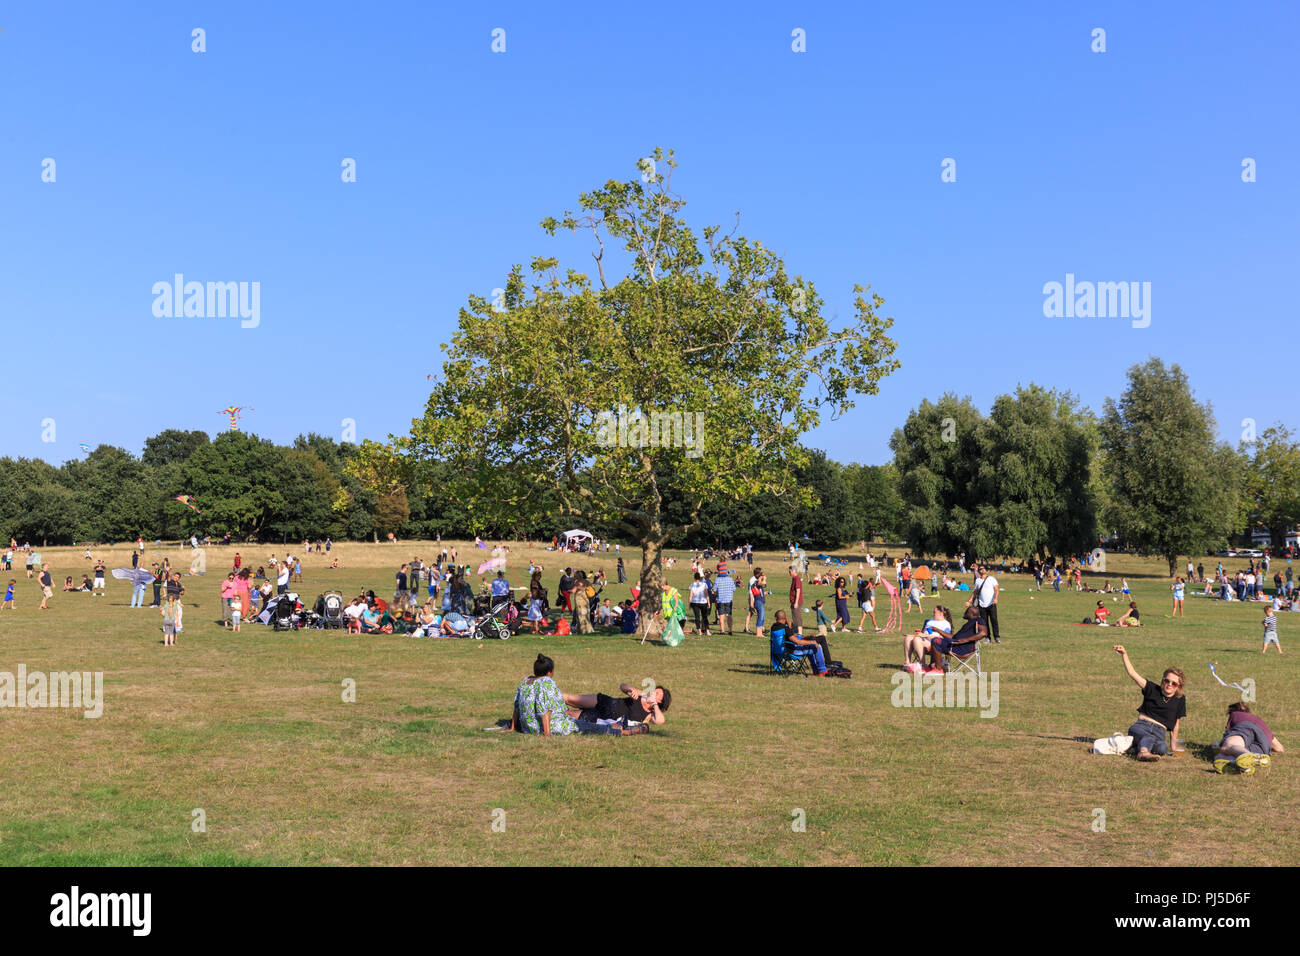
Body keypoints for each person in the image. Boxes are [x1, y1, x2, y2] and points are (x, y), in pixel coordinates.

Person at [1113, 645, 1185, 761]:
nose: (1169, 685)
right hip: (1141, 726)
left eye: (1174, 683)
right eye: (1167, 681)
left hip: (1160, 732)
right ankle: (1143, 752)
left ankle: (1133, 748)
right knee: (1148, 737)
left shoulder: (1180, 699)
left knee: (1162, 748)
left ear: (1178, 687)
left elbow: (1176, 725)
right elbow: (1132, 673)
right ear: (1163, 681)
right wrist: (1124, 654)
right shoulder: (1152, 688)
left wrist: (1174, 747)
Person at [1213, 703, 1284, 774]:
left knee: (1228, 747)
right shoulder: (1261, 722)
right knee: (1237, 753)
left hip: (1245, 727)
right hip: (1264, 745)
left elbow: (1229, 736)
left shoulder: (1235, 714)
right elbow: (1279, 748)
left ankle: (1246, 755)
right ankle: (1246, 766)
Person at [563, 682, 670, 726]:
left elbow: (660, 721)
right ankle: (548, 694)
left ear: (660, 701)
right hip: (606, 702)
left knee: (570, 714)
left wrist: (654, 705)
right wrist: (630, 689)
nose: (653, 692)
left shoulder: (650, 715)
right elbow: (622, 686)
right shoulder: (643, 695)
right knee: (570, 699)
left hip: (603, 718)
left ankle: (549, 713)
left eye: (657, 693)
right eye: (655, 690)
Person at [921, 605, 985, 673]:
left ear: (972, 614)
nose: (965, 613)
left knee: (936, 641)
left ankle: (938, 669)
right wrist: (937, 630)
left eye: (967, 611)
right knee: (936, 639)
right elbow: (953, 637)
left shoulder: (978, 620)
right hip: (955, 644)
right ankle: (931, 666)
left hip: (961, 648)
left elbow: (983, 633)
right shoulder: (969, 623)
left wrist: (966, 640)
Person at [769, 609, 830, 676]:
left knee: (809, 647)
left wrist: (805, 637)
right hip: (791, 653)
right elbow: (797, 642)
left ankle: (815, 670)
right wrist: (812, 642)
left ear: (776, 618)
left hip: (779, 653)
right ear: (785, 617)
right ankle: (822, 670)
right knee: (816, 646)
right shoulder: (785, 628)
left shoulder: (773, 628)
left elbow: (790, 636)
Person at [970, 564, 1000, 643]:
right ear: (979, 571)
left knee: (994, 621)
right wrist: (970, 600)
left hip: (991, 604)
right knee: (984, 622)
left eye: (983, 569)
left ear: (986, 570)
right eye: (980, 569)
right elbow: (975, 592)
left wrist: (996, 598)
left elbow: (996, 590)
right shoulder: (978, 580)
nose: (982, 570)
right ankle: (988, 637)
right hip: (981, 604)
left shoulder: (992, 579)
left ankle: (997, 637)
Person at [714, 563, 736, 635]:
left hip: (720, 600)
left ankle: (722, 631)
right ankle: (730, 630)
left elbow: (714, 590)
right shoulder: (730, 579)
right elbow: (734, 589)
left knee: (721, 615)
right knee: (729, 615)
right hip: (729, 600)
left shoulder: (717, 579)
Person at [688, 572, 711, 636]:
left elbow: (690, 595)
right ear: (700, 578)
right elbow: (706, 594)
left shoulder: (692, 585)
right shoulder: (704, 584)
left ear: (694, 578)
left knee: (697, 617)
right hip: (703, 602)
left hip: (694, 602)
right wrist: (708, 602)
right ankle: (708, 631)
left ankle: (699, 631)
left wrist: (689, 603)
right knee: (704, 617)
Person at [788, 564, 804, 637]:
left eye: (790, 571)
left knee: (797, 616)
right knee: (794, 616)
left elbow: (798, 591)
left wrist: (796, 602)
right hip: (793, 601)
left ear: (793, 571)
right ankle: (796, 631)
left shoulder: (797, 579)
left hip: (796, 601)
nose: (789, 572)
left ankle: (800, 632)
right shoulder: (794, 578)